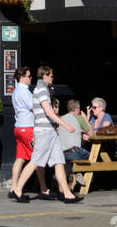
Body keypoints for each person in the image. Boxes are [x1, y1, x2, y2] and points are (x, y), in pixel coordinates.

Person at [12, 66, 78, 203]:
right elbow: (48, 112)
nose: (53, 78)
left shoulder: (43, 90)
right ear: (45, 76)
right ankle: (18, 189)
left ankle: (67, 193)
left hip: (50, 130)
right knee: (35, 161)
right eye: (51, 75)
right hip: (43, 131)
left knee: (59, 162)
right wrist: (65, 125)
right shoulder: (41, 90)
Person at [9, 66, 35, 199]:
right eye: (29, 76)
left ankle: (13, 187)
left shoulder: (15, 91)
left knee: (20, 158)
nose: (31, 78)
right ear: (22, 77)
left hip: (18, 127)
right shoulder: (25, 92)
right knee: (36, 158)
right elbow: (34, 108)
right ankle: (19, 188)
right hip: (28, 128)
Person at [59, 98, 91, 186]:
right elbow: (92, 134)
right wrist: (85, 118)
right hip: (74, 152)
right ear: (77, 109)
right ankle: (77, 173)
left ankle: (73, 173)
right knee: (92, 158)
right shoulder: (79, 118)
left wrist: (81, 133)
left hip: (61, 153)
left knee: (71, 160)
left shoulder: (62, 118)